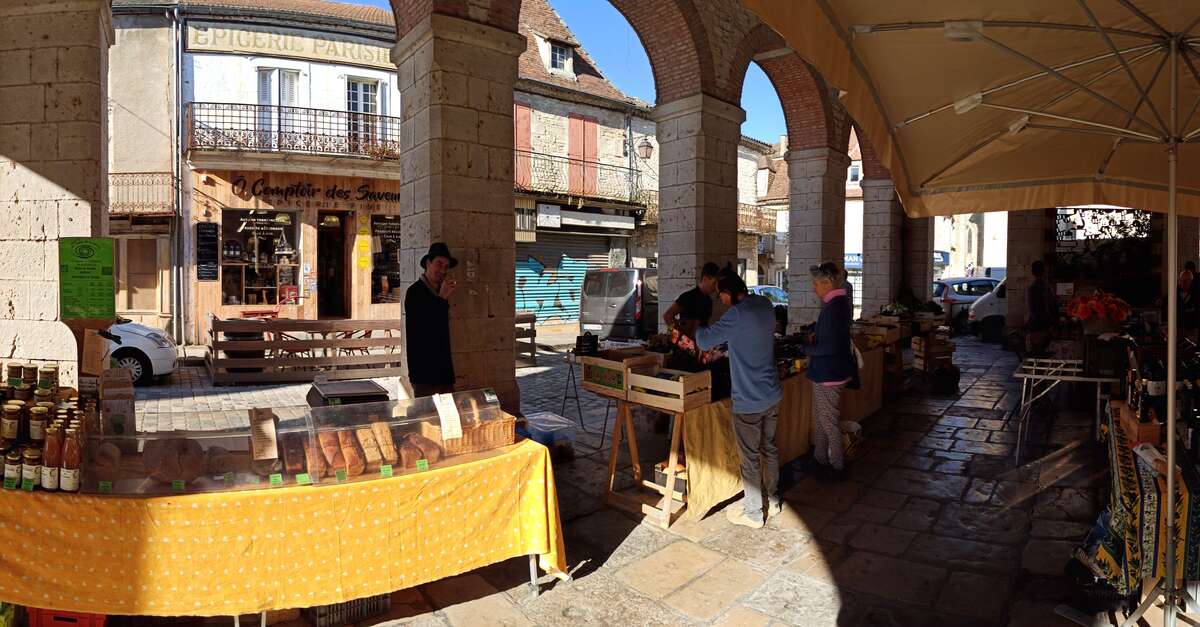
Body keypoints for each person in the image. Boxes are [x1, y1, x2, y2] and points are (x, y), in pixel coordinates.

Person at [697, 266, 783, 529]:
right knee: (769, 448)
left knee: (750, 458)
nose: (721, 300)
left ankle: (754, 514)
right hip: (772, 394)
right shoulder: (764, 304)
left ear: (729, 292)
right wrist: (726, 350)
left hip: (749, 399)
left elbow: (703, 341)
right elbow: (747, 339)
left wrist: (698, 323)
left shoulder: (736, 314)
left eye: (721, 295)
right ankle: (774, 501)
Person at [806, 262, 857, 481]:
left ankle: (837, 466)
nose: (814, 288)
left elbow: (828, 347)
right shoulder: (838, 302)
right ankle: (820, 458)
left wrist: (806, 349)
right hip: (830, 371)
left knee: (828, 422)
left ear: (827, 283)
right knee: (821, 418)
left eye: (816, 284)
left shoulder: (834, 306)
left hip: (829, 373)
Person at [405, 242, 458, 398]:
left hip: (444, 372)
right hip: (424, 373)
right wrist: (441, 299)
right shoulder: (415, 292)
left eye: (446, 266)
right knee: (426, 413)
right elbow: (425, 329)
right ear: (428, 263)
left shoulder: (439, 291)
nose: (443, 270)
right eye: (439, 264)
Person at [663, 262, 719, 336]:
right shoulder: (688, 297)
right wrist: (677, 336)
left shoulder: (708, 300)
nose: (716, 287)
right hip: (686, 341)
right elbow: (668, 316)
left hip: (700, 341)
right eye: (714, 283)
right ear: (705, 279)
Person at [1025, 260, 1057, 355]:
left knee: (1037, 352)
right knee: (1041, 350)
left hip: (1038, 324)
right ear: (1044, 271)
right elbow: (1050, 305)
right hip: (1044, 324)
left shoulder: (1034, 287)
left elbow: (1033, 309)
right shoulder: (1046, 287)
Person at [1178, 270, 1199, 343]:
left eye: (1188, 280)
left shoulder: (1196, 293)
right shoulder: (1174, 292)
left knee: (1192, 347)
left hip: (1192, 329)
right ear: (1180, 280)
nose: (1185, 282)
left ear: (1191, 281)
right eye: (1183, 279)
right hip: (1178, 328)